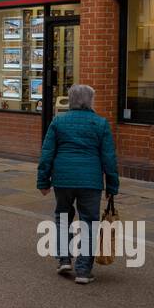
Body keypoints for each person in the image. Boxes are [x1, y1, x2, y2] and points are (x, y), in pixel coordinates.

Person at [36, 84, 119, 285]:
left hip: (63, 178)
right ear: (90, 100)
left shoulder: (58, 121)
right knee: (89, 223)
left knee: (63, 216)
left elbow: (47, 153)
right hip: (90, 181)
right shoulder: (100, 123)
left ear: (71, 100)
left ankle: (64, 259)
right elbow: (109, 157)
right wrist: (112, 186)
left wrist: (43, 181)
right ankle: (83, 270)